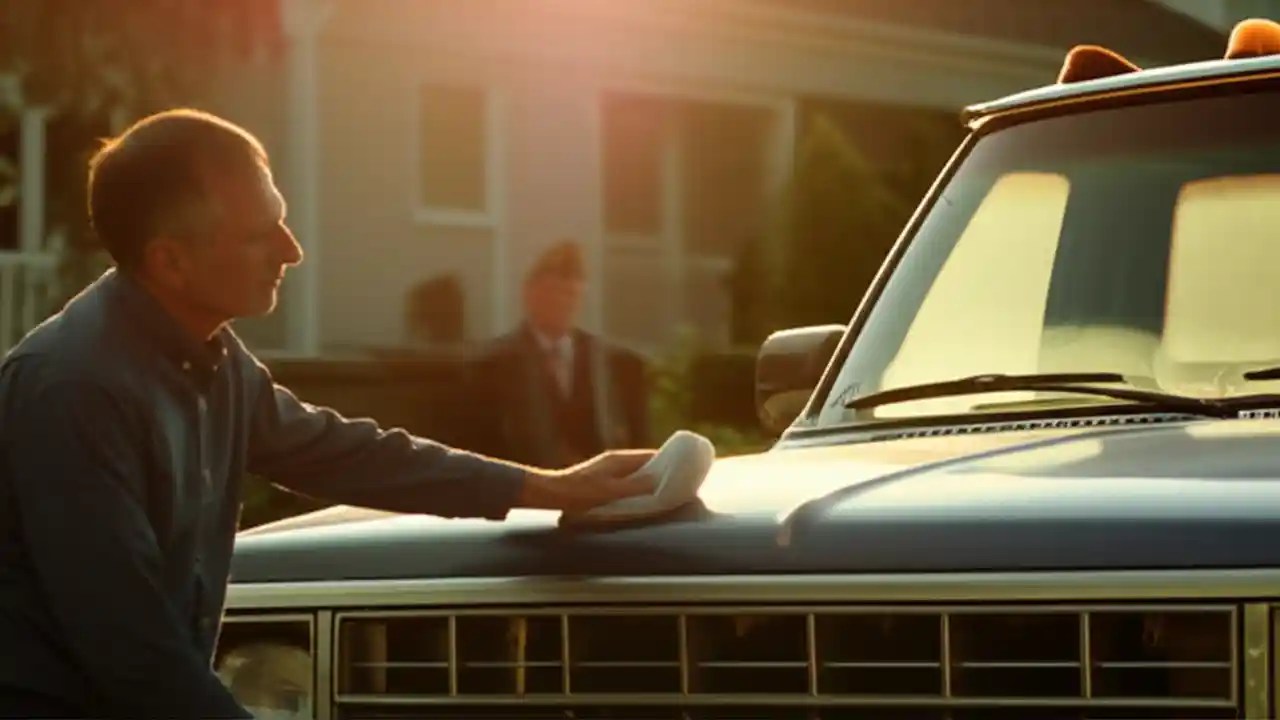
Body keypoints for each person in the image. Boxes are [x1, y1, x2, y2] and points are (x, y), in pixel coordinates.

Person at [0, 109, 655, 719]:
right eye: (260, 235)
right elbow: (130, 648)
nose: (292, 250)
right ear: (170, 261)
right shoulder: (73, 391)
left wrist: (549, 486)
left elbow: (344, 453)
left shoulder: (211, 357)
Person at [466, 240, 650, 468]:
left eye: (570, 293)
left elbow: (636, 439)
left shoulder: (611, 363)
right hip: (529, 492)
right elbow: (480, 444)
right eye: (553, 292)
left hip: (604, 491)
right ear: (530, 295)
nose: (563, 302)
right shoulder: (494, 364)